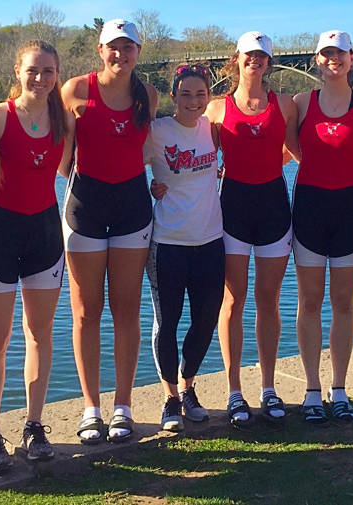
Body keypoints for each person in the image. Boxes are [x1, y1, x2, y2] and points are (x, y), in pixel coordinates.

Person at [0, 40, 75, 474]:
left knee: (39, 334)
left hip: (45, 233)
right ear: (18, 70)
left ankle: (34, 424)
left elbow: (69, 171)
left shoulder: (64, 120)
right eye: (33, 70)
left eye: (48, 72)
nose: (40, 78)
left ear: (57, 75)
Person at [60, 19, 158, 444]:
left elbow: (152, 147)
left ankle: (122, 406)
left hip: (133, 206)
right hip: (86, 204)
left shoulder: (148, 95)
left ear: (139, 51)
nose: (121, 55)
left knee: (126, 308)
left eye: (128, 47)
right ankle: (90, 408)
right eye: (113, 48)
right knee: (85, 310)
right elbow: (62, 159)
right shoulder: (76, 90)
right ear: (101, 51)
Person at [291, 30, 353, 424]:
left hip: (350, 209)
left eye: (341, 53)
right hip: (310, 209)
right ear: (317, 59)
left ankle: (340, 388)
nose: (334, 59)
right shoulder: (300, 103)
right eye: (327, 53)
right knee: (310, 302)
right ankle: (312, 389)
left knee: (344, 303)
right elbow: (284, 147)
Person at [205, 31, 299, 428]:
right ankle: (233, 390)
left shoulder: (287, 106)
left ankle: (268, 387)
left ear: (269, 62)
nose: (255, 61)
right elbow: (203, 161)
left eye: (262, 56)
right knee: (233, 300)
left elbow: (299, 149)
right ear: (237, 58)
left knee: (268, 300)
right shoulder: (215, 109)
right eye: (249, 55)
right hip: (233, 209)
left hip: (274, 205)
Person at [144, 64, 223, 432]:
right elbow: (126, 168)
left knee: (206, 319)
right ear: (173, 96)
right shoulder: (157, 132)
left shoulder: (213, 129)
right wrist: (149, 187)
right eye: (186, 94)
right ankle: (171, 397)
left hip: (210, 240)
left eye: (200, 94)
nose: (194, 101)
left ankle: (189, 385)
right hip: (168, 243)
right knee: (168, 321)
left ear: (209, 97)